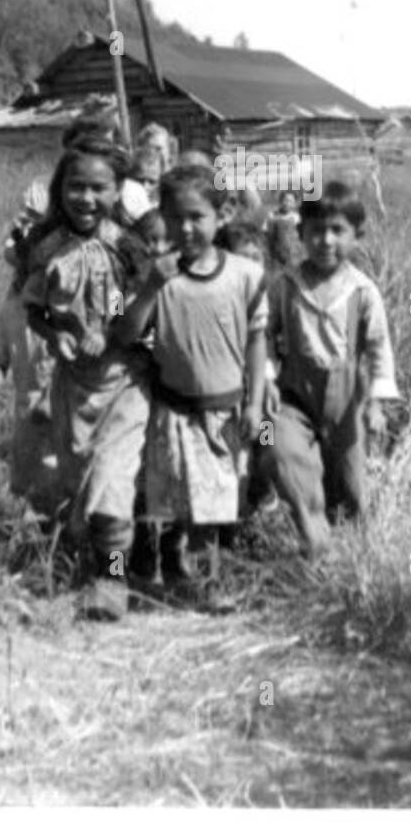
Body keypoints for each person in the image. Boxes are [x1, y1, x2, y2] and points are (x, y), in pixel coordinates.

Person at [117, 164, 267, 606]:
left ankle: (211, 585)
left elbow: (257, 339)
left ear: (221, 216)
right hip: (172, 409)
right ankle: (158, 575)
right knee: (172, 500)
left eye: (198, 216)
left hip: (225, 411)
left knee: (217, 505)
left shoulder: (245, 274)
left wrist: (255, 403)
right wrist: (149, 289)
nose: (186, 228)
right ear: (161, 215)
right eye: (176, 217)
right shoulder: (157, 276)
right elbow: (125, 334)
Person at [22, 136, 151, 620]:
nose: (87, 198)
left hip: (123, 384)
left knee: (112, 481)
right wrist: (56, 337)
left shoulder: (127, 249)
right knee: (80, 484)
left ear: (118, 191)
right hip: (73, 386)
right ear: (62, 188)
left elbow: (138, 309)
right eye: (77, 186)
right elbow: (35, 310)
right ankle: (91, 564)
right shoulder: (47, 248)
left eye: (99, 188)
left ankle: (112, 581)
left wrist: (112, 333)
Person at [259, 179, 400, 558]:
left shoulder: (362, 290)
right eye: (316, 231)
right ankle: (313, 536)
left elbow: (378, 347)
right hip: (293, 395)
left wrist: (375, 403)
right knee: (277, 449)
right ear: (301, 233)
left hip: (346, 399)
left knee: (351, 483)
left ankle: (354, 559)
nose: (326, 240)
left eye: (338, 231)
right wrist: (268, 378)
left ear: (358, 236)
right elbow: (264, 335)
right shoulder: (285, 285)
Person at [0, 178, 53, 423]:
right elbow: (11, 254)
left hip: (34, 305)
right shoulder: (22, 232)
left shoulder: (51, 239)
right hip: (19, 304)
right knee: (4, 356)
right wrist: (21, 230)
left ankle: (41, 403)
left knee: (37, 372)